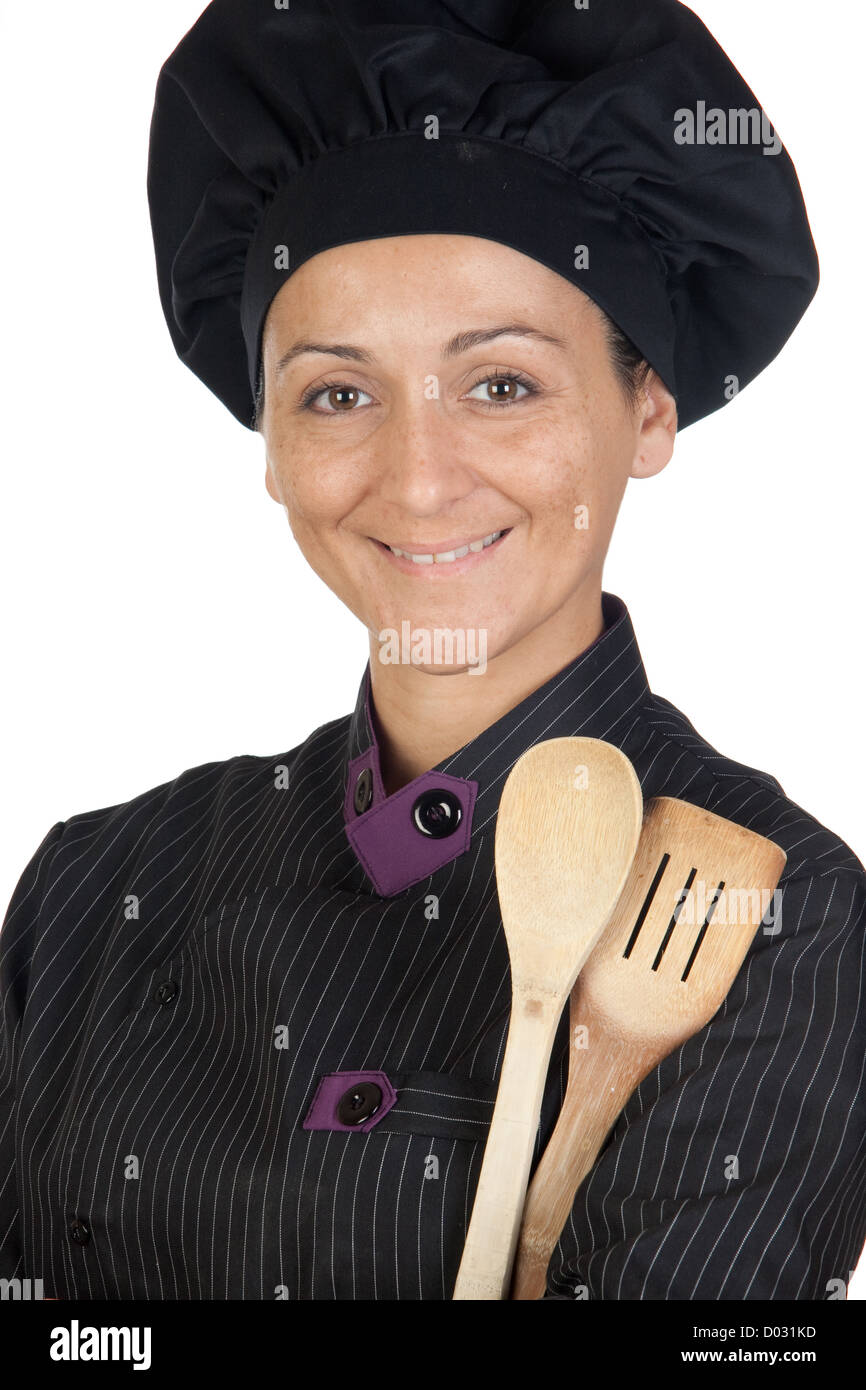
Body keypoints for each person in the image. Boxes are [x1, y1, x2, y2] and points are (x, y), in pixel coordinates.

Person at [2, 0, 864, 1302]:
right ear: (271, 441)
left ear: (644, 407)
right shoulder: (95, 881)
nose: (416, 480)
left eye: (500, 383)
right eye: (337, 393)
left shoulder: (766, 907)